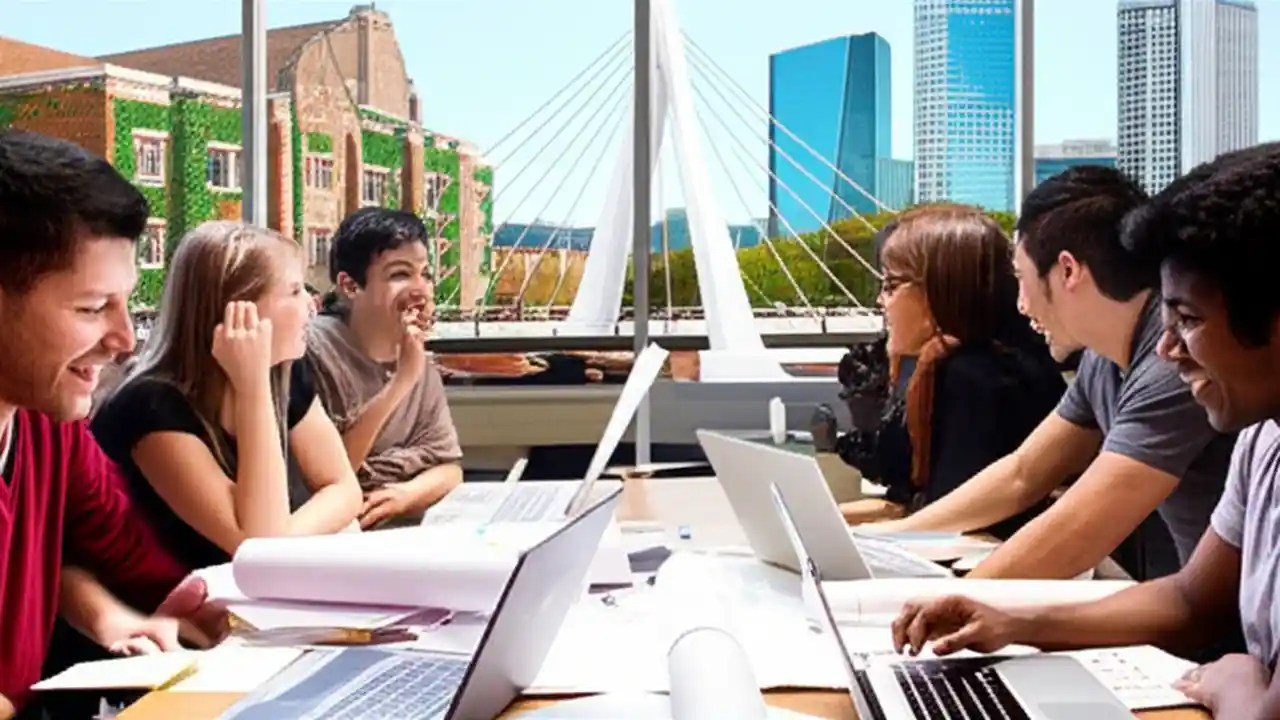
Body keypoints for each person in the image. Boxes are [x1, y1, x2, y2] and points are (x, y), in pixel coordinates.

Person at [890, 144, 1280, 720]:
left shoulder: (1201, 389)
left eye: (1190, 321)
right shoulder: (1260, 439)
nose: (1171, 352)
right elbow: (1189, 596)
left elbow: (1082, 526)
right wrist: (1003, 619)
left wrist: (1242, 683)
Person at [869, 166, 1234, 582]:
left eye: (1022, 280)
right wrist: (887, 542)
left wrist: (945, 604)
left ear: (1067, 271)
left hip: (1229, 631)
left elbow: (1082, 526)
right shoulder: (1103, 358)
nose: (1021, 306)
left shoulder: (1171, 365)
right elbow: (1023, 473)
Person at [0, 130, 220, 717]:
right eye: (93, 308)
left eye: (126, 304)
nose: (125, 341)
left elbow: (114, 538)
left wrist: (208, 611)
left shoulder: (50, 423)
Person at [90, 221, 363, 573]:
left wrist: (286, 540)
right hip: (159, 614)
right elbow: (257, 543)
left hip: (239, 599)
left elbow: (343, 488)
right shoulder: (151, 406)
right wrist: (252, 388)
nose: (312, 305)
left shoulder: (285, 371)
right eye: (294, 291)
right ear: (239, 310)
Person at [833, 205, 1065, 537]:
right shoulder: (953, 367)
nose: (881, 301)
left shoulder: (978, 381)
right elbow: (912, 503)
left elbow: (960, 525)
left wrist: (856, 535)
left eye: (891, 285)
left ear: (938, 292)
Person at [306, 207, 462, 529]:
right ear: (349, 286)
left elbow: (450, 468)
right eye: (400, 274)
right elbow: (333, 476)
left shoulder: (415, 353)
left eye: (426, 274)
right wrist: (400, 383)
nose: (420, 290)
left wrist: (407, 494)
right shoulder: (313, 352)